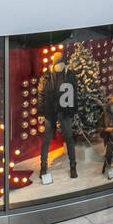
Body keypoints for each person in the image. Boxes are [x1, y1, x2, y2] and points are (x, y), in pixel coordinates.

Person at [38, 54, 78, 182]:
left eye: (61, 64)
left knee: (69, 138)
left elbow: (74, 94)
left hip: (65, 111)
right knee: (47, 139)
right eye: (57, 65)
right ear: (53, 65)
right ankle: (43, 165)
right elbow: (41, 95)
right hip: (51, 111)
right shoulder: (46, 77)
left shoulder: (70, 75)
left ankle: (73, 165)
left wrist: (72, 112)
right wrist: (40, 113)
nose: (59, 67)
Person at [97, 95, 113, 178]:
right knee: (108, 152)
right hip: (109, 138)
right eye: (112, 105)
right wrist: (105, 129)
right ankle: (109, 167)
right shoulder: (105, 115)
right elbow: (99, 127)